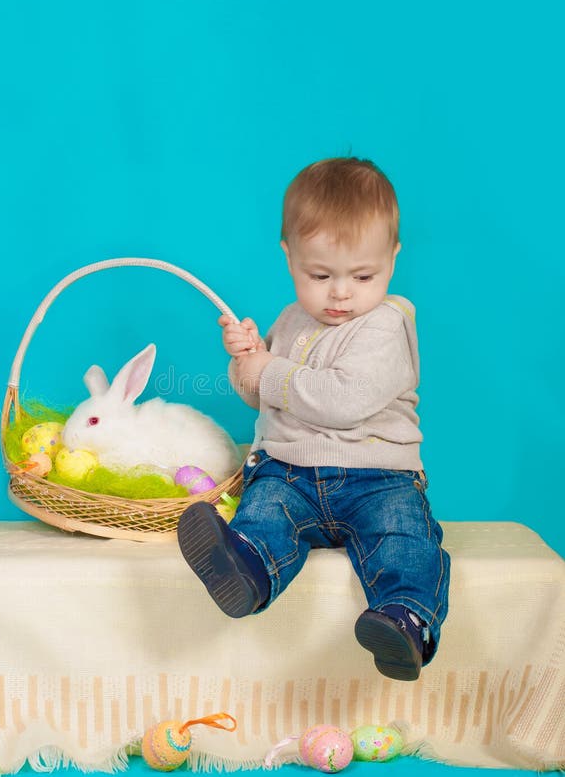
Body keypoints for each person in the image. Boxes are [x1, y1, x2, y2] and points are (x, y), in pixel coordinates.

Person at [178, 157, 451, 681]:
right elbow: (263, 398)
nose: (341, 293)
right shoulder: (291, 319)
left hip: (377, 477)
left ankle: (405, 619)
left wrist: (270, 369)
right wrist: (247, 361)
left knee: (401, 536)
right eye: (320, 275)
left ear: (393, 258)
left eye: (363, 275)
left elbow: (342, 399)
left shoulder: (387, 324)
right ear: (290, 257)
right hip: (289, 472)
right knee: (265, 511)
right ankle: (246, 570)